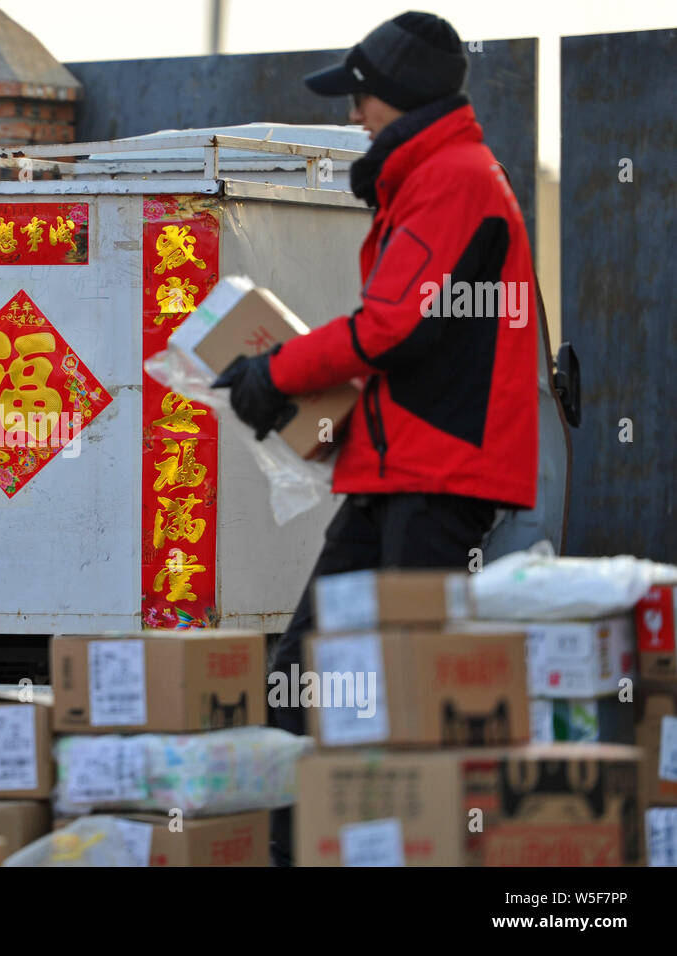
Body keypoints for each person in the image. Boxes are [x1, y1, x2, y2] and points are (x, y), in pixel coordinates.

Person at [211, 12, 539, 864]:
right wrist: (292, 394)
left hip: (439, 482)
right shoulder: (429, 177)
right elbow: (399, 334)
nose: (354, 114)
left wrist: (277, 375)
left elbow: (392, 326)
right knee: (305, 668)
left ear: (396, 98)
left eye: (360, 97)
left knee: (397, 695)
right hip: (400, 476)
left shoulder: (454, 179)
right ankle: (295, 849)